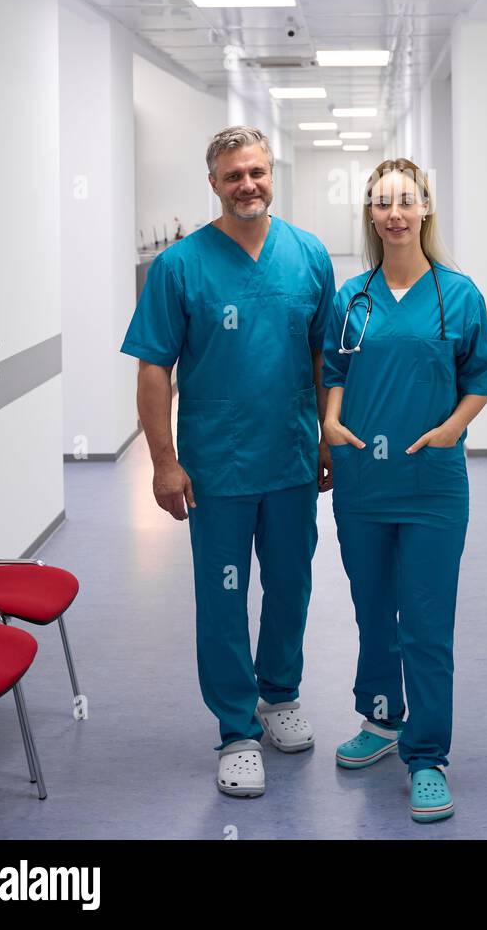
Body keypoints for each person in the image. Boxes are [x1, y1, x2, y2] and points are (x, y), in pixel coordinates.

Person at [120, 125, 335, 798]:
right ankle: (237, 731)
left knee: (291, 585)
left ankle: (281, 696)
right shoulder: (180, 266)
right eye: (234, 175)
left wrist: (329, 437)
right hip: (216, 464)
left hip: (293, 455)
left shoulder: (309, 255)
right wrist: (163, 462)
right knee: (222, 598)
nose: (249, 184)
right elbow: (154, 368)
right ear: (213, 183)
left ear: (273, 176)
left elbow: (325, 355)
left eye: (258, 172)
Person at [322, 158, 487, 823]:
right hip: (363, 484)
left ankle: (426, 757)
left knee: (425, 624)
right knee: (373, 613)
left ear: (425, 208)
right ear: (369, 214)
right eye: (381, 202)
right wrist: (331, 420)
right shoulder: (352, 298)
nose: (394, 213)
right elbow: (335, 369)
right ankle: (381, 720)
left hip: (432, 486)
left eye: (406, 201)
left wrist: (452, 428)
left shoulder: (458, 294)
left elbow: (482, 376)